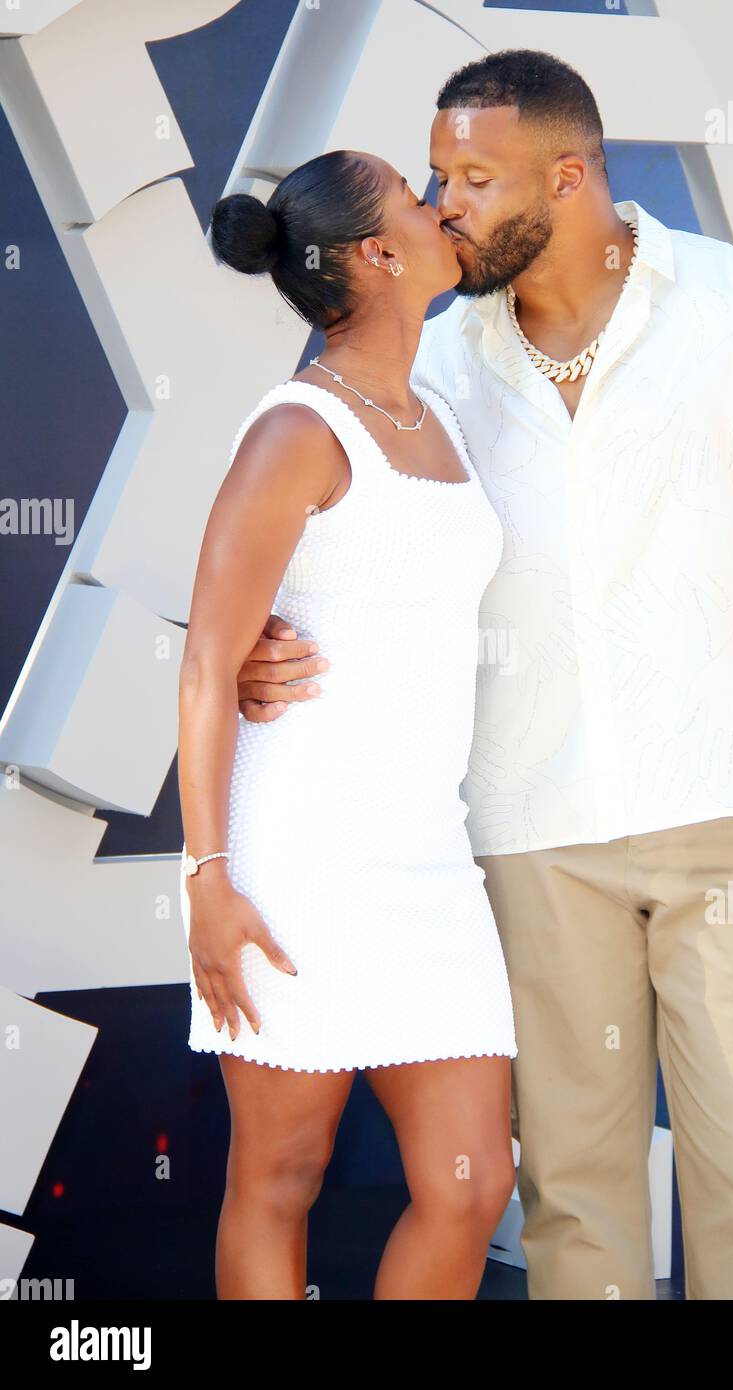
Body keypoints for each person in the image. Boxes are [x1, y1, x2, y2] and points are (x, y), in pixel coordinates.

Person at [235, 51, 733, 1300]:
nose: (442, 203)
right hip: (525, 838)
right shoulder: (432, 371)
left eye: (473, 177)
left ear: (568, 178)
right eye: (434, 175)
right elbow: (342, 550)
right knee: (572, 1200)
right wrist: (265, 650)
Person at [177, 147, 519, 1300]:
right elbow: (207, 662)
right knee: (279, 1175)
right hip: (294, 859)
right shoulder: (295, 430)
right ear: (378, 254)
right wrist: (207, 878)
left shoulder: (442, 416)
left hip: (429, 857)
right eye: (420, 201)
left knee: (471, 1182)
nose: (441, 210)